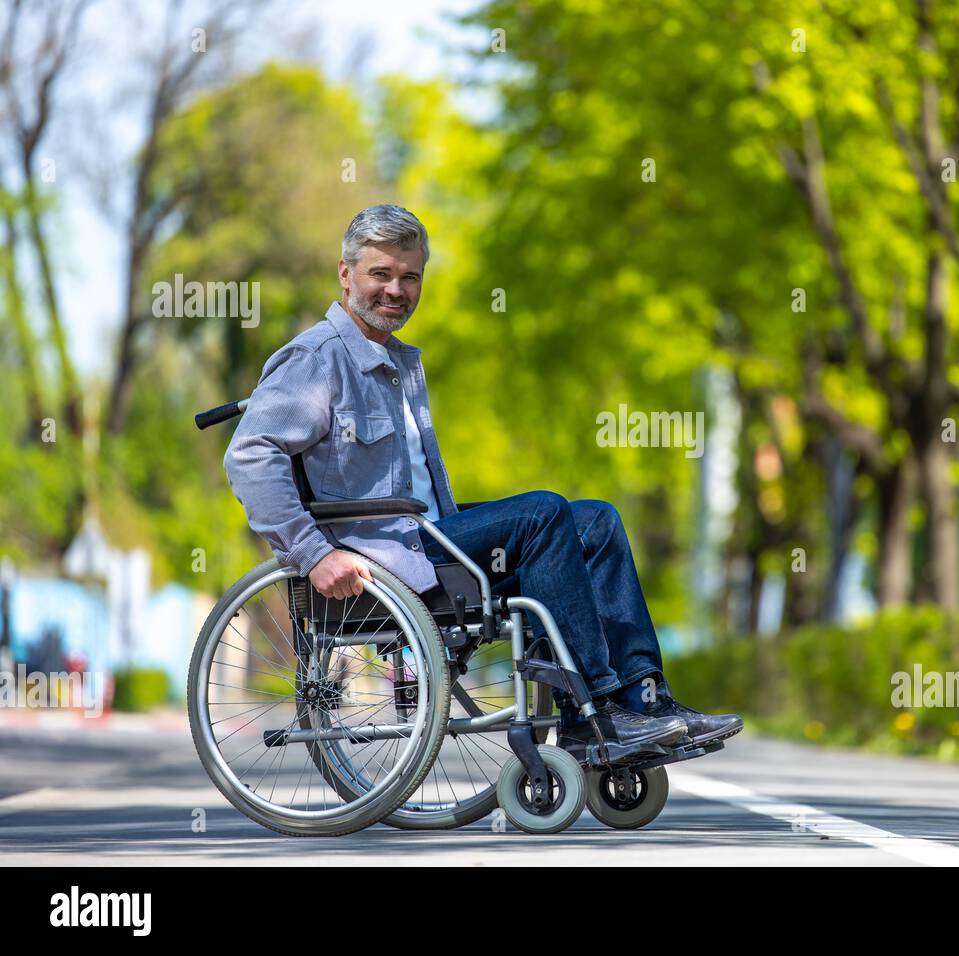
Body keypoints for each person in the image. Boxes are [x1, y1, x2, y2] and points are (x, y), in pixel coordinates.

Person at [223, 203, 743, 759]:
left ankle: (645, 699)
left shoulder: (395, 360)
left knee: (595, 520)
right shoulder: (318, 359)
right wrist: (312, 553)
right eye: (381, 274)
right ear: (346, 274)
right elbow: (251, 455)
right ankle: (595, 710)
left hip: (425, 535)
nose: (395, 289)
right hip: (382, 554)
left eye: (409, 276)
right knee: (543, 514)